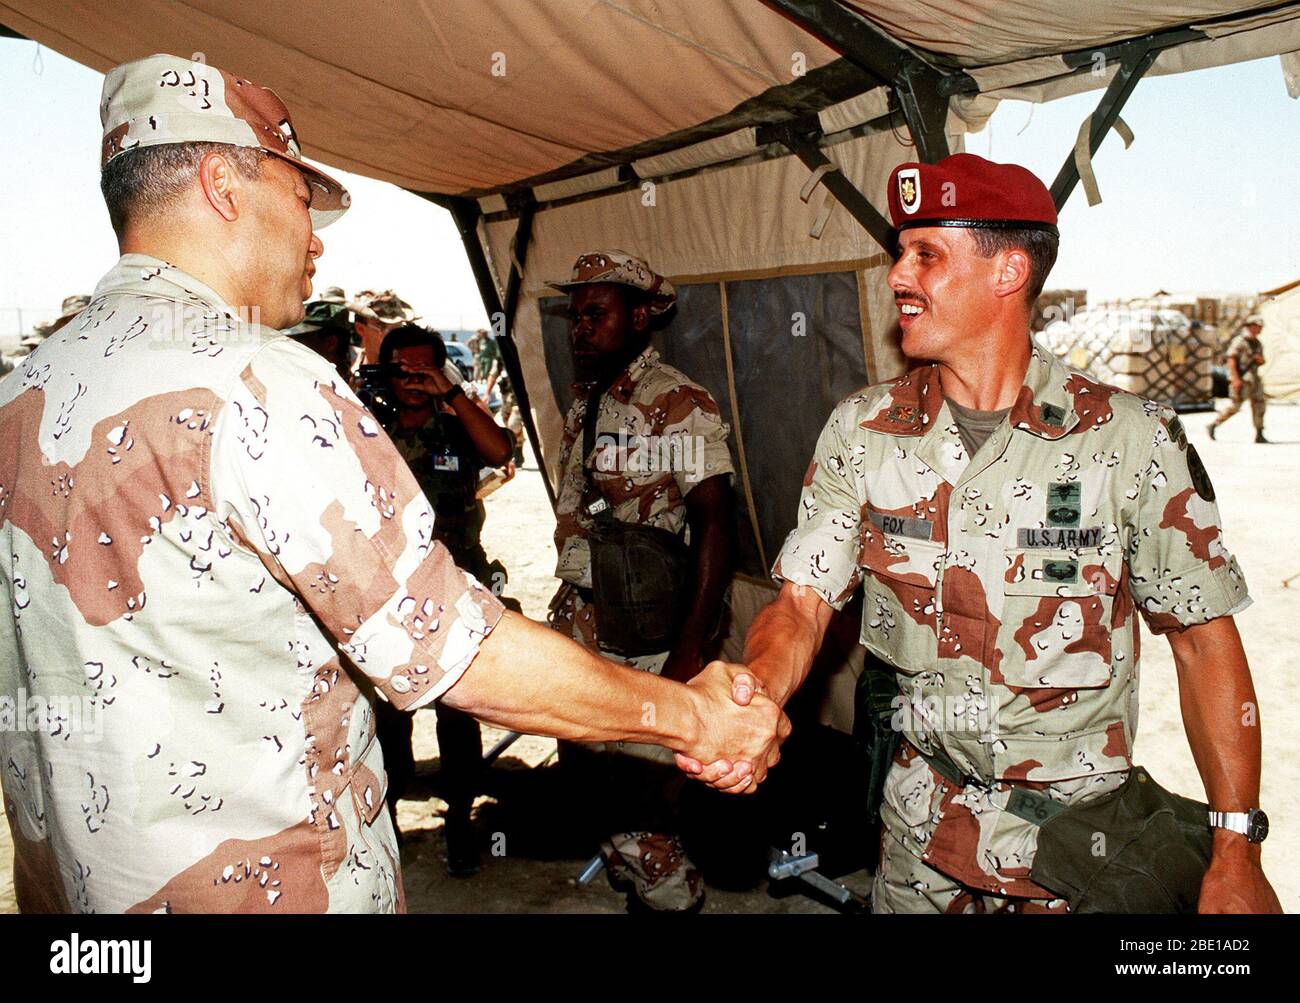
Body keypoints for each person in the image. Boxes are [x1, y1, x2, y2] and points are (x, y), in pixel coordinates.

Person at [0, 52, 787, 915]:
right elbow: (457, 649)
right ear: (224, 183)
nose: (316, 237)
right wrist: (692, 716)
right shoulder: (261, 382)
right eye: (302, 199)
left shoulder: (22, 395)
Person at [695, 153, 1281, 914]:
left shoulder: (1128, 439)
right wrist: (759, 691)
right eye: (899, 253)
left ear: (1008, 271)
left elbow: (1204, 640)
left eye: (926, 254)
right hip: (918, 834)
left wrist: (1235, 848)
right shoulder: (863, 431)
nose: (898, 275)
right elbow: (803, 604)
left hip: (1075, 853)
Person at [546, 250, 737, 912]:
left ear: (641, 316)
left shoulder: (673, 401)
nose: (580, 328)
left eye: (595, 313)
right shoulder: (588, 398)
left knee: (644, 811)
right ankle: (644, 894)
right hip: (589, 621)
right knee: (598, 792)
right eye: (575, 316)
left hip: (650, 639)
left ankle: (674, 898)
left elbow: (716, 522)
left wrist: (690, 651)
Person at [371, 323, 517, 876]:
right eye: (401, 370)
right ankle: (387, 821)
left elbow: (501, 451)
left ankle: (460, 819)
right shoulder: (366, 428)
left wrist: (450, 391)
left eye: (423, 369)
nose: (412, 381)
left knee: (459, 716)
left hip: (455, 593)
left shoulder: (456, 429)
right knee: (389, 722)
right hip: (384, 601)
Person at [1209, 314, 1267, 443]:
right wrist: (1235, 379)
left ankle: (1259, 433)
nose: (1260, 329)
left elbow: (1262, 361)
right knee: (1235, 406)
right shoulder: (1240, 341)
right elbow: (1231, 360)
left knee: (1260, 405)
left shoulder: (1257, 343)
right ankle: (1214, 424)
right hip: (1242, 379)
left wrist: (1259, 360)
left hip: (1254, 379)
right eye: (1258, 326)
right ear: (1251, 326)